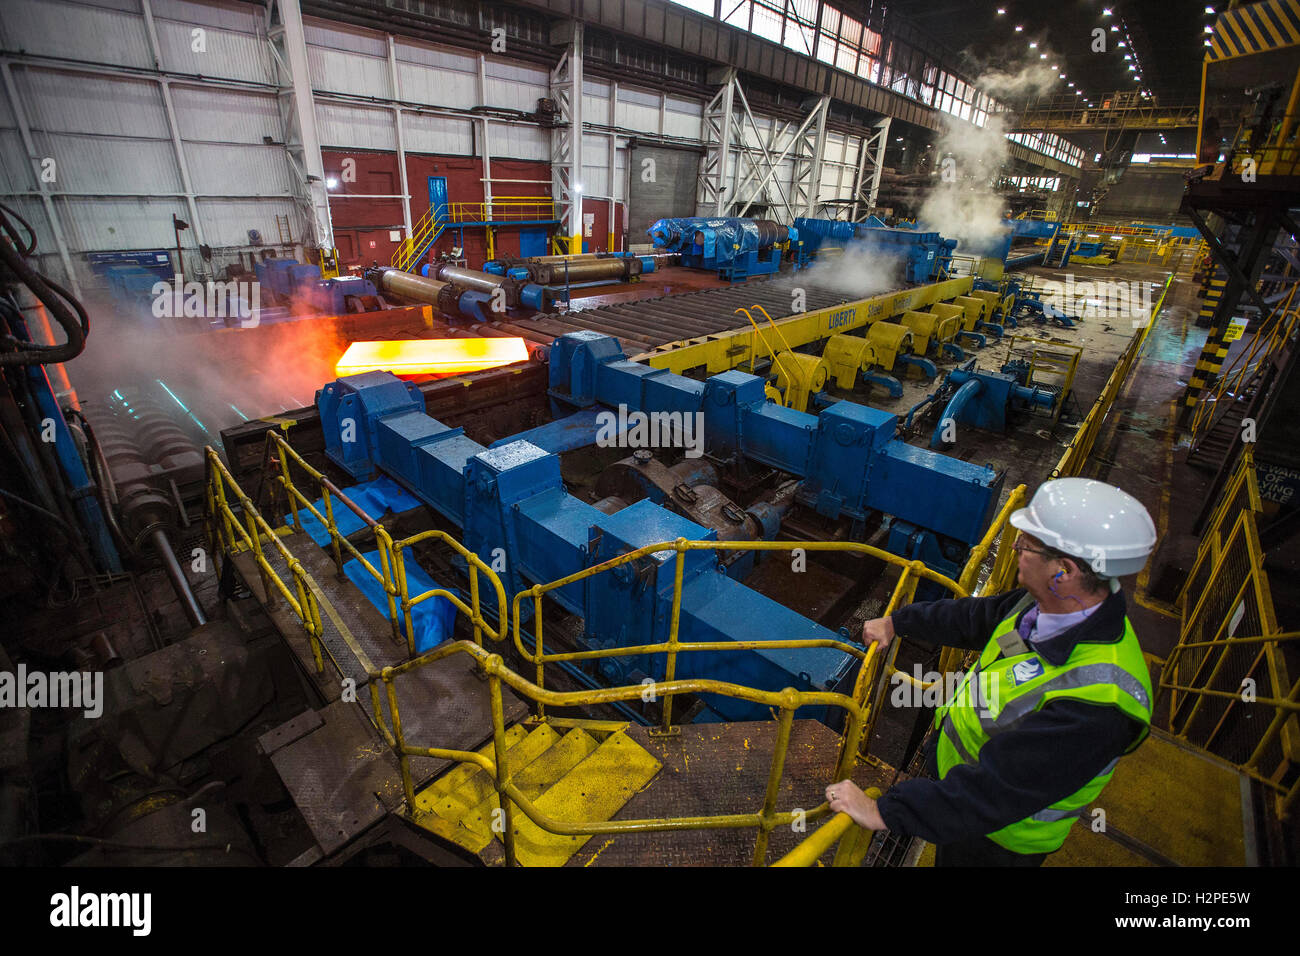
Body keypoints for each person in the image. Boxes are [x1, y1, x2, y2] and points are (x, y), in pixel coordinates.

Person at [826, 478, 1157, 866]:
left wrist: (884, 811)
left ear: (1063, 571)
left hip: (998, 842)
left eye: (1027, 544)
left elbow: (996, 791)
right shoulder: (1044, 605)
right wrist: (898, 622)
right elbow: (974, 618)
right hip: (959, 793)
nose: (1015, 548)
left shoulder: (1100, 703)